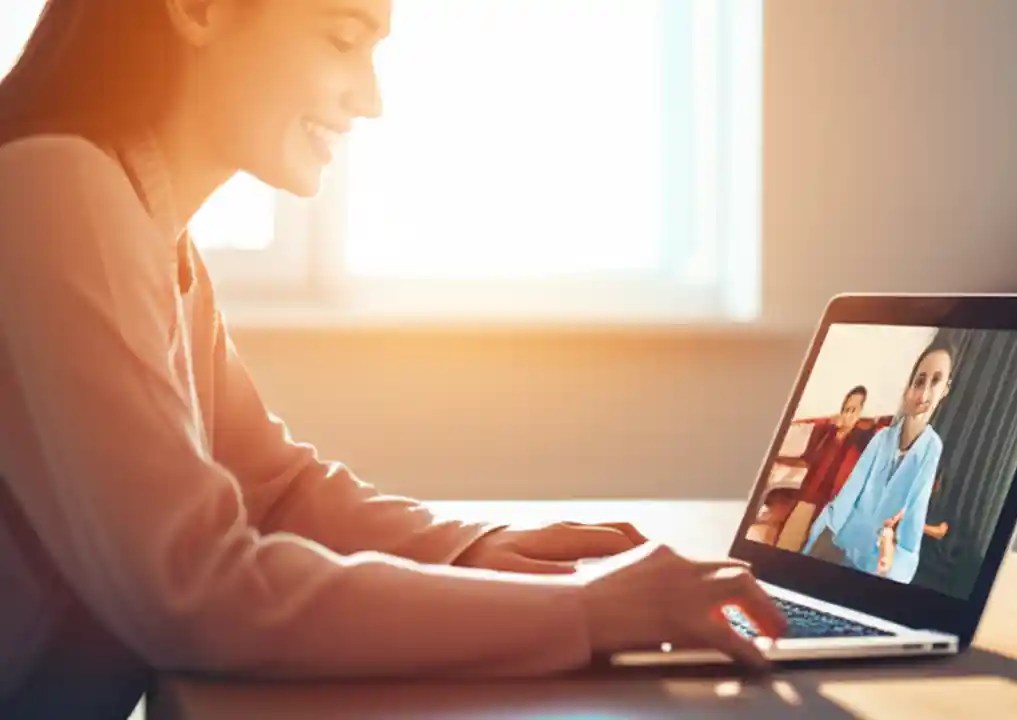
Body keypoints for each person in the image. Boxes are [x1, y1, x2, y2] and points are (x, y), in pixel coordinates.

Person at [0, 2, 785, 717]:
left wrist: (468, 547)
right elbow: (195, 591)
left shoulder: (142, 220)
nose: (368, 97)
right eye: (343, 40)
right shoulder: (57, 188)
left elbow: (272, 490)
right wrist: (588, 613)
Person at [801, 339, 955, 583]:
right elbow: (849, 494)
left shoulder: (931, 447)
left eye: (935, 381)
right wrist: (824, 536)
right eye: (919, 381)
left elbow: (912, 530)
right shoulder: (882, 437)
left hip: (875, 562)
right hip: (839, 540)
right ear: (909, 388)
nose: (924, 393)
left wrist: (892, 562)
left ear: (945, 389)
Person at [772, 386, 874, 551]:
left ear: (860, 413)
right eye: (846, 409)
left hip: (832, 506)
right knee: (787, 543)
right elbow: (808, 459)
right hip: (809, 497)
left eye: (854, 410)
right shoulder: (826, 433)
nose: (848, 415)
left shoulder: (861, 441)